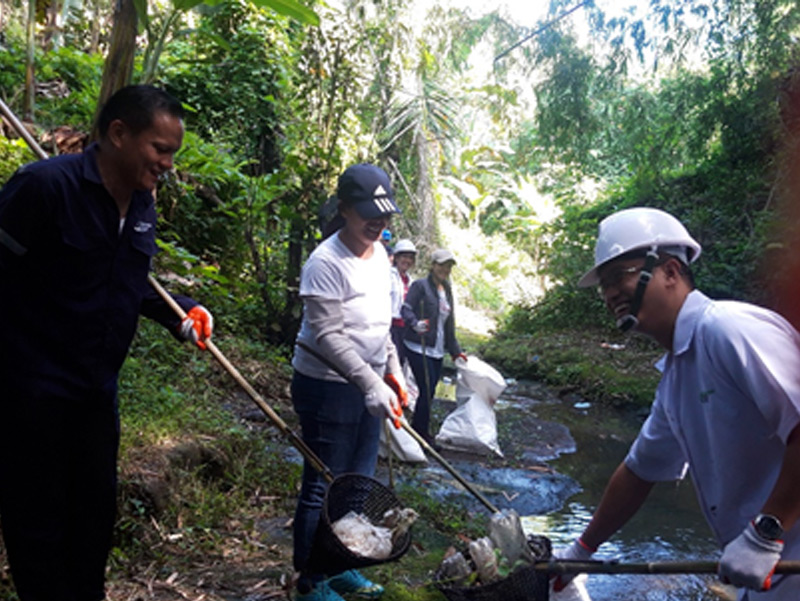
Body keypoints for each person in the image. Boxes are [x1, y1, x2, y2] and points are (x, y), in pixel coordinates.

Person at [0, 84, 213, 601]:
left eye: (172, 153)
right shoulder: (43, 188)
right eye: (160, 149)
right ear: (118, 133)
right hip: (32, 399)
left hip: (97, 399)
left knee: (92, 528)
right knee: (38, 533)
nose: (167, 163)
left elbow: (128, 281)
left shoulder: (141, 205)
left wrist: (180, 314)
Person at [553, 207, 800, 600]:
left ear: (670, 271)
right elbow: (639, 471)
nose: (610, 292)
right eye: (605, 283)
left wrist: (766, 531)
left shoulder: (728, 329)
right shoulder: (676, 374)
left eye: (621, 276)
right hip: (765, 571)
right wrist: (581, 550)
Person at [290, 163, 407, 601]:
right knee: (323, 483)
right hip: (326, 385)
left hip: (367, 384)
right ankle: (309, 580)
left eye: (384, 216)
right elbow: (329, 336)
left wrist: (392, 371)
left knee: (358, 480)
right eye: (368, 215)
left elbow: (382, 326)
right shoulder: (325, 262)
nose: (378, 224)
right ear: (344, 210)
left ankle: (341, 565)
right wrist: (368, 382)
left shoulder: (381, 257)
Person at [401, 248, 467, 445]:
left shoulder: (446, 289)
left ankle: (419, 429)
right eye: (441, 265)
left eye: (448, 266)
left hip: (437, 349)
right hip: (417, 345)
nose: (444, 269)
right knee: (427, 388)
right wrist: (415, 323)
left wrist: (455, 351)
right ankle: (420, 433)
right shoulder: (420, 286)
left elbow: (449, 322)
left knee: (429, 390)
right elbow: (406, 308)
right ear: (432, 265)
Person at [390, 238, 417, 365]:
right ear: (396, 258)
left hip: (404, 328)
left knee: (400, 362)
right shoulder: (388, 275)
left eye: (410, 258)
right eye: (404, 257)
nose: (407, 261)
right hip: (389, 326)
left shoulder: (410, 281)